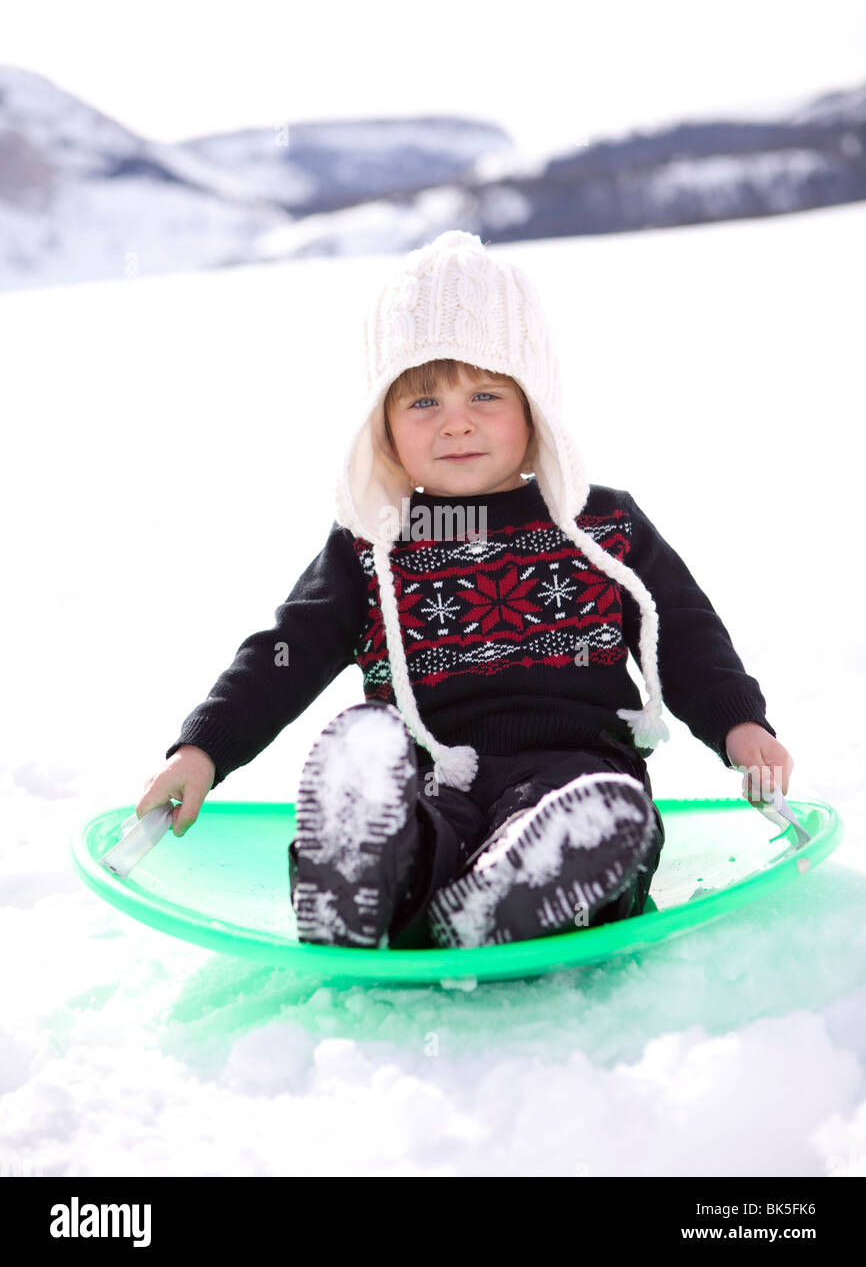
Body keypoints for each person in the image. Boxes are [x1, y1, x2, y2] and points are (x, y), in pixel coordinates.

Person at [135, 230, 794, 951]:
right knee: (401, 801)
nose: (456, 421)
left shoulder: (601, 524)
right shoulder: (372, 542)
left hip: (576, 767)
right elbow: (283, 655)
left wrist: (740, 725)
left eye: (486, 393)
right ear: (383, 424)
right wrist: (203, 750)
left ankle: (524, 891)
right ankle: (368, 878)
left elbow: (686, 636)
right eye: (422, 401)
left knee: (600, 819)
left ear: (534, 406)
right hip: (427, 774)